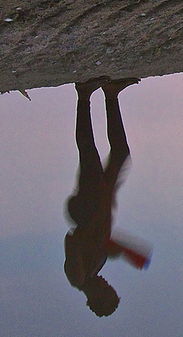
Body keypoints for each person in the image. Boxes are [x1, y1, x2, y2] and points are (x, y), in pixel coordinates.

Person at [64, 77, 147, 317]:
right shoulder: (96, 268)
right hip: (100, 204)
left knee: (88, 152)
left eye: (107, 291)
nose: (108, 285)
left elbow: (71, 240)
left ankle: (83, 95)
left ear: (96, 298)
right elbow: (98, 242)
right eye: (111, 289)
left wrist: (98, 243)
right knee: (121, 154)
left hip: (88, 209)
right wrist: (111, 248)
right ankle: (111, 95)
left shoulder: (78, 277)